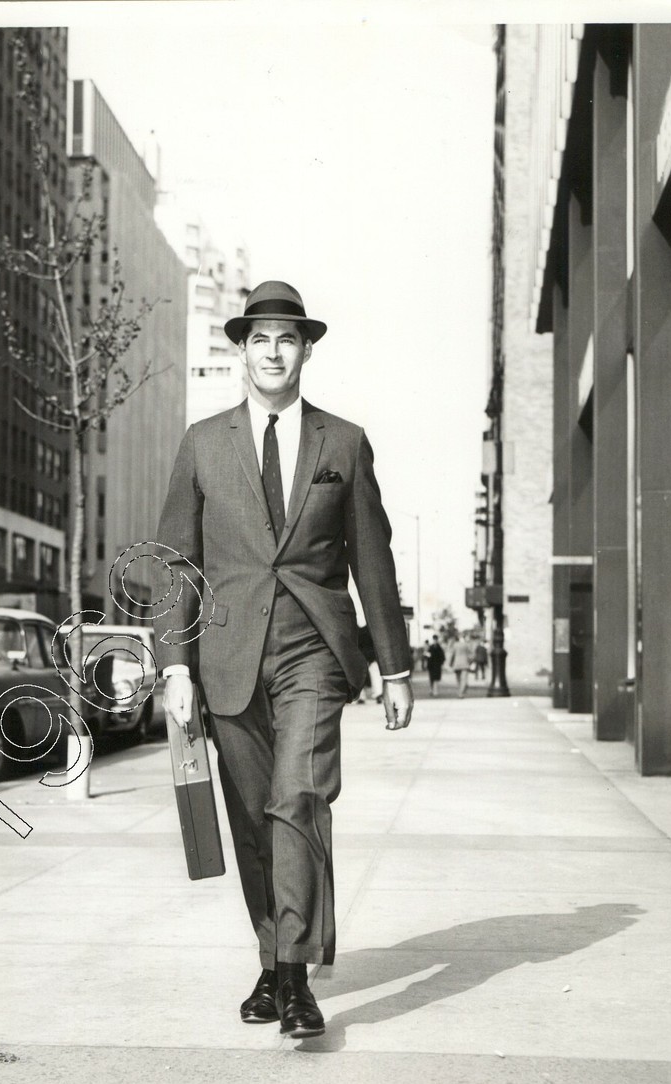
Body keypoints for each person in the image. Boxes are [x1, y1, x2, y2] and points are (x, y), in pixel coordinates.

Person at [154, 281, 413, 1039]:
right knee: (250, 817)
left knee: (298, 796)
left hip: (313, 650)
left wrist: (394, 668)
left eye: (287, 338)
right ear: (241, 350)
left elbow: (373, 559)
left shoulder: (343, 442)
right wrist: (174, 665)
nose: (273, 351)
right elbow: (177, 561)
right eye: (259, 338)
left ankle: (296, 977)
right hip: (226, 654)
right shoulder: (203, 442)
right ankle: (271, 958)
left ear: (306, 351)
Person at [450, 631, 473, 697]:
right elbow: (471, 654)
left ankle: (460, 690)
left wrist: (450, 664)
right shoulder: (466, 645)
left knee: (458, 679)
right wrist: (470, 662)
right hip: (465, 663)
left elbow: (452, 655)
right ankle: (461, 692)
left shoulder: (455, 645)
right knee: (464, 679)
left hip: (457, 664)